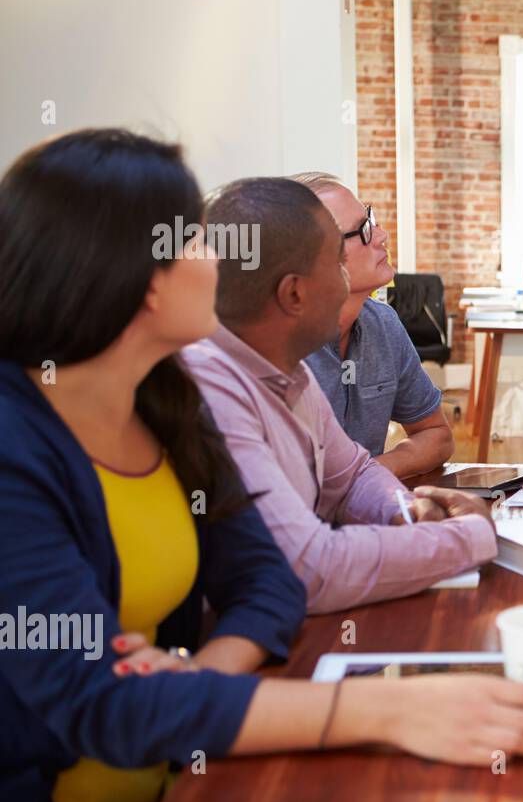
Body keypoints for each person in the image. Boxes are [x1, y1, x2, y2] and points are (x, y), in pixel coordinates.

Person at [0, 129, 523, 802]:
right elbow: (102, 705)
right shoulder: (15, 449)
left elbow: (268, 581)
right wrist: (386, 710)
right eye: (194, 242)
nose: (220, 260)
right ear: (134, 277)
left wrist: (187, 682)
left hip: (179, 775)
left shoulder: (163, 403)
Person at [180, 177, 495, 614]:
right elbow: (311, 570)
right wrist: (473, 535)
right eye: (336, 264)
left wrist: (408, 511)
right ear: (294, 292)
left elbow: (349, 477)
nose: (346, 281)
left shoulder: (286, 367)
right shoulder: (210, 387)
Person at [292, 172, 453, 476]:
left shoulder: (383, 325)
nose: (381, 235)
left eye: (371, 219)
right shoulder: (272, 348)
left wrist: (368, 473)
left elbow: (437, 436)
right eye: (362, 230)